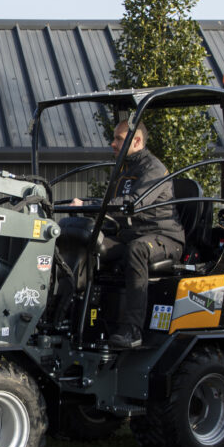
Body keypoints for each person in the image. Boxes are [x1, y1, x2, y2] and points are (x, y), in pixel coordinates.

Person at [69, 120, 184, 348]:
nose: (112, 143)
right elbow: (112, 205)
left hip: (164, 238)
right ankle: (76, 319)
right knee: (91, 244)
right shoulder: (123, 169)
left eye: (119, 139)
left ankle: (133, 330)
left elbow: (133, 203)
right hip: (133, 234)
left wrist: (87, 204)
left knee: (137, 250)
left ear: (137, 141)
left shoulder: (154, 169)